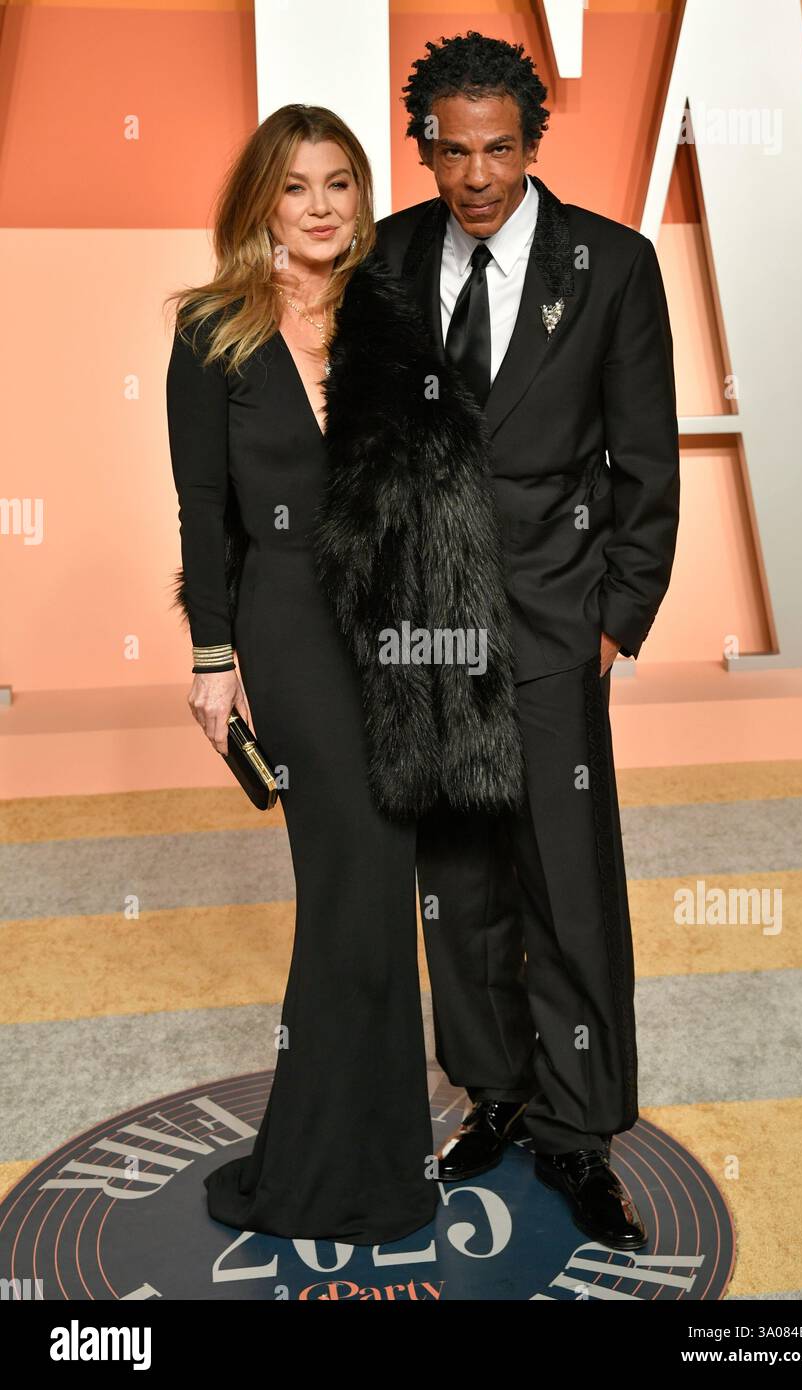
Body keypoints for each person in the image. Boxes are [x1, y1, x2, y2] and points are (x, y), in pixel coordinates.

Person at [164, 103, 523, 1246]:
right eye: (297, 186)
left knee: (372, 890)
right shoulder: (209, 331)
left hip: (398, 629)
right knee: (352, 884)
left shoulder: (390, 313)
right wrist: (212, 659)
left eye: (339, 185)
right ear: (262, 201)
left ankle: (348, 1152)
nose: (320, 207)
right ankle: (331, 1169)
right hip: (286, 622)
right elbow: (204, 509)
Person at [375, 31, 680, 1249]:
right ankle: (494, 1091)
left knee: (564, 881)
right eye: (453, 152)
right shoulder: (388, 257)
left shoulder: (609, 264)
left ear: (530, 142)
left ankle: (578, 1126)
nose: (477, 176)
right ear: (427, 150)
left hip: (555, 618)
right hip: (425, 626)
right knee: (457, 881)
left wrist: (616, 616)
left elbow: (644, 462)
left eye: (498, 149)